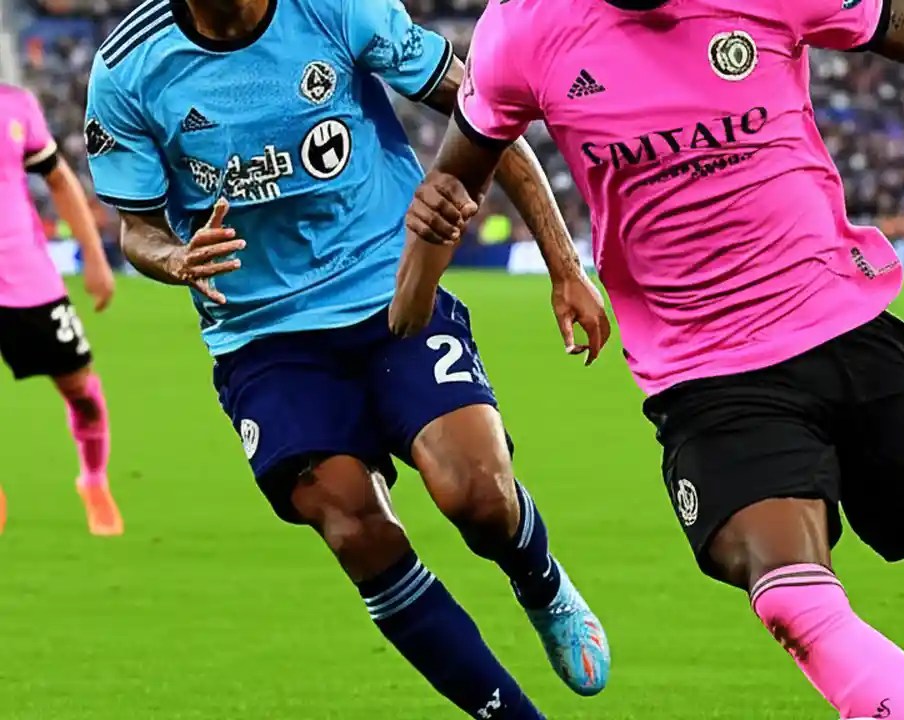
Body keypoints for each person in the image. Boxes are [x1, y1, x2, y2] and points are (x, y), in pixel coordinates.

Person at [391, 0, 904, 718]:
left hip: (847, 332)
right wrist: (417, 284)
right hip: (706, 375)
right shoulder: (525, 27)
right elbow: (459, 171)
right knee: (791, 596)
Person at [83, 0, 611, 716]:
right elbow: (136, 227)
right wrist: (173, 257)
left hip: (391, 294)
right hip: (262, 337)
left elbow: (485, 114)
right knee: (353, 525)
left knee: (480, 499)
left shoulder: (335, 7)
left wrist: (564, 265)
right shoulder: (128, 66)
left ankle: (540, 580)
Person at [0, 83, 120, 536]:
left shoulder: (16, 105)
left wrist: (93, 255)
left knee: (81, 393)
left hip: (28, 280)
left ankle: (93, 480)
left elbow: (58, 178)